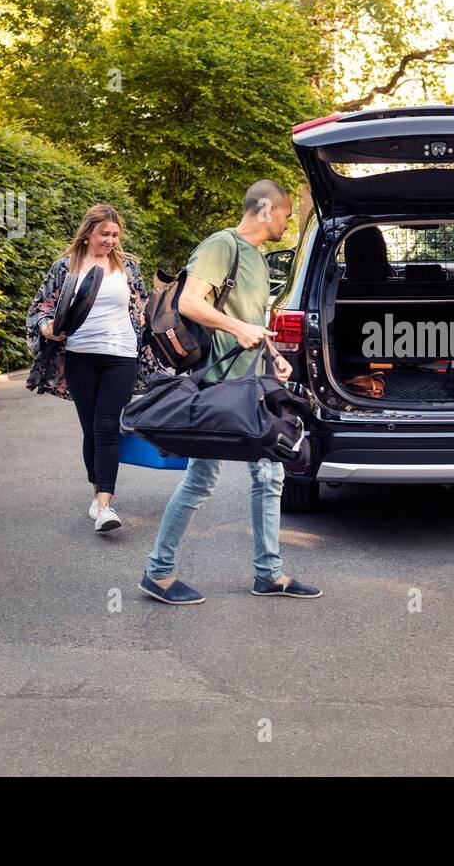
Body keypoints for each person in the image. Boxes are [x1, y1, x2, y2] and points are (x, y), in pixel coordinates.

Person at [139, 180, 321, 605]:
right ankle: (158, 573)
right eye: (286, 211)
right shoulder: (223, 245)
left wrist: (274, 354)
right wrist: (238, 329)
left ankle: (269, 574)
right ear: (264, 210)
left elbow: (250, 319)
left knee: (271, 474)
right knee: (202, 479)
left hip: (251, 383)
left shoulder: (256, 257)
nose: (289, 218)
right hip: (217, 386)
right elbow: (189, 302)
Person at [25, 203, 160, 534]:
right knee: (90, 428)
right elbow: (39, 307)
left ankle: (104, 505)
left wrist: (147, 318)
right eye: (104, 234)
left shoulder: (127, 267)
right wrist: (46, 328)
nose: (111, 241)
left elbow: (143, 305)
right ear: (88, 234)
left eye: (115, 235)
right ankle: (97, 490)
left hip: (121, 354)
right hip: (80, 355)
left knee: (106, 426)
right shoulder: (64, 267)